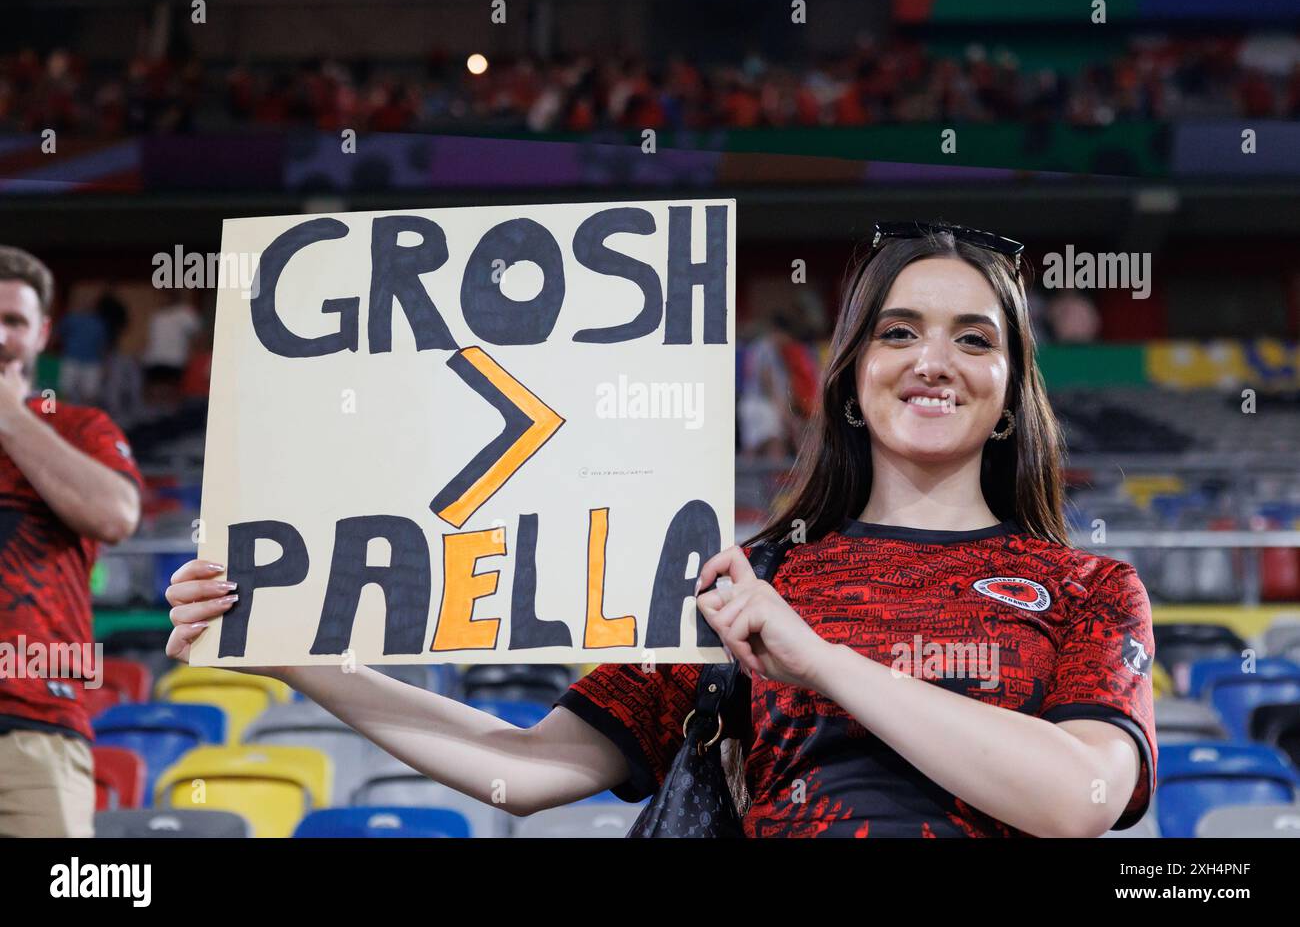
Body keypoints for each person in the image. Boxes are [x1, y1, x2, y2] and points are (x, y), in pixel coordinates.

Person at [164, 221, 1156, 838]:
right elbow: (527, 768)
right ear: (852, 374)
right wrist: (287, 646)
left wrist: (819, 661)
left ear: (1011, 394)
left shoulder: (1090, 589)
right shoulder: (742, 581)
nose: (931, 359)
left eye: (972, 338)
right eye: (897, 331)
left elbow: (1076, 798)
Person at [0, 246, 143, 837]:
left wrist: (8, 416)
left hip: (38, 727)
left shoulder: (79, 428)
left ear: (42, 334)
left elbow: (115, 515)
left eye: (13, 321)